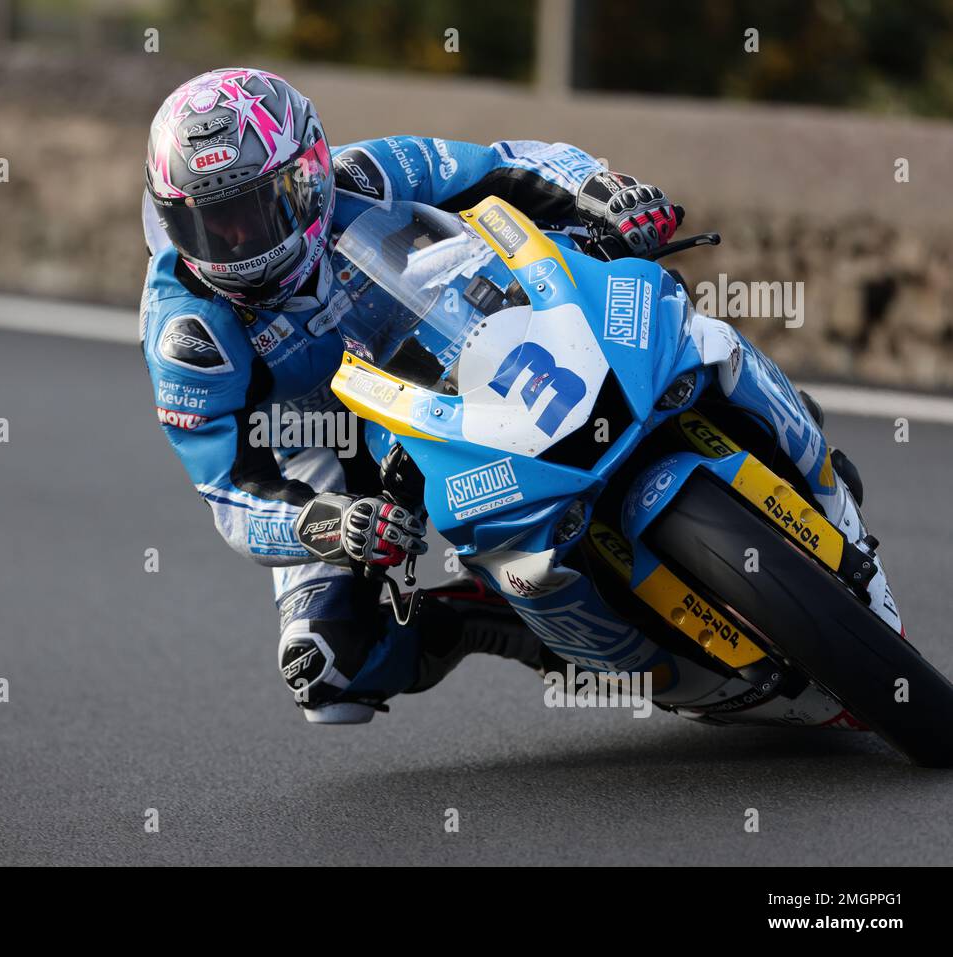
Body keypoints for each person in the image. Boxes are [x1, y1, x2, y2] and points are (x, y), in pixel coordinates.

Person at [140, 68, 682, 724]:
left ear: (308, 173)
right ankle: (484, 616)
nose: (237, 243)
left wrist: (604, 191)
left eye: (254, 210)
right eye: (211, 224)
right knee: (324, 669)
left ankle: (769, 419)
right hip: (327, 437)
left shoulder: (364, 172)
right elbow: (230, 492)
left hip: (458, 324)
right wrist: (329, 525)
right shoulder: (188, 332)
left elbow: (508, 165)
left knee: (648, 288)